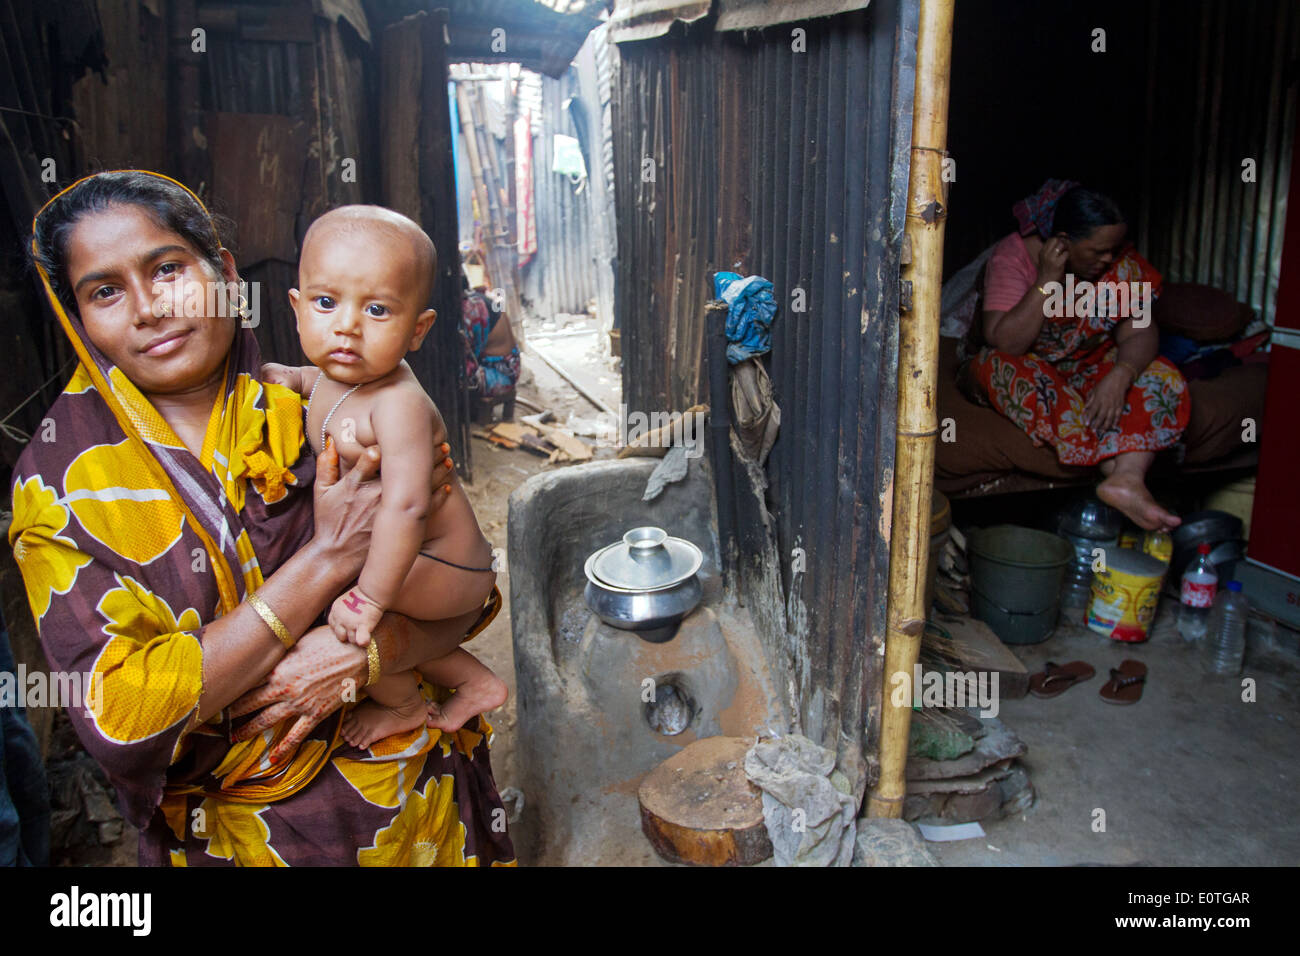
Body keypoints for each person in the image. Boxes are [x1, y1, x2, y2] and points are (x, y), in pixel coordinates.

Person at [9, 170, 515, 866]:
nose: (147, 308)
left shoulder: (332, 403)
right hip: (242, 839)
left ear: (221, 271)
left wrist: (367, 656)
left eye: (166, 270)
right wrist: (327, 560)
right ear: (76, 317)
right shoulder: (63, 484)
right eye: (104, 291)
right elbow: (120, 717)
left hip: (409, 791)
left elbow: (468, 591)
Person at [262, 206, 507, 748]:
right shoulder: (335, 373)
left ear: (417, 329)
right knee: (382, 618)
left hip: (448, 565)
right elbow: (323, 388)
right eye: (326, 304)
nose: (346, 325)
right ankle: (474, 682)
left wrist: (369, 596)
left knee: (345, 614)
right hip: (422, 560)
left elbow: (406, 508)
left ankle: (402, 705)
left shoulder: (398, 405)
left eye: (376, 309)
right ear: (298, 309)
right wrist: (293, 378)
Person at [961, 181, 1191, 531]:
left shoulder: (1121, 267)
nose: (1109, 260)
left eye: (1113, 250)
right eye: (1099, 251)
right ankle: (1112, 463)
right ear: (1063, 243)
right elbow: (1006, 345)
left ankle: (1126, 478)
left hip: (1089, 366)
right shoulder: (1014, 256)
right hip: (1031, 365)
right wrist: (1047, 281)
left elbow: (1140, 332)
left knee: (1162, 375)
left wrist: (1121, 374)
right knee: (995, 367)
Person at [460, 274, 520, 400]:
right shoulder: (475, 299)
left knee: (457, 377)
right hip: (508, 364)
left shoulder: (471, 309)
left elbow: (471, 355)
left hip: (502, 373)